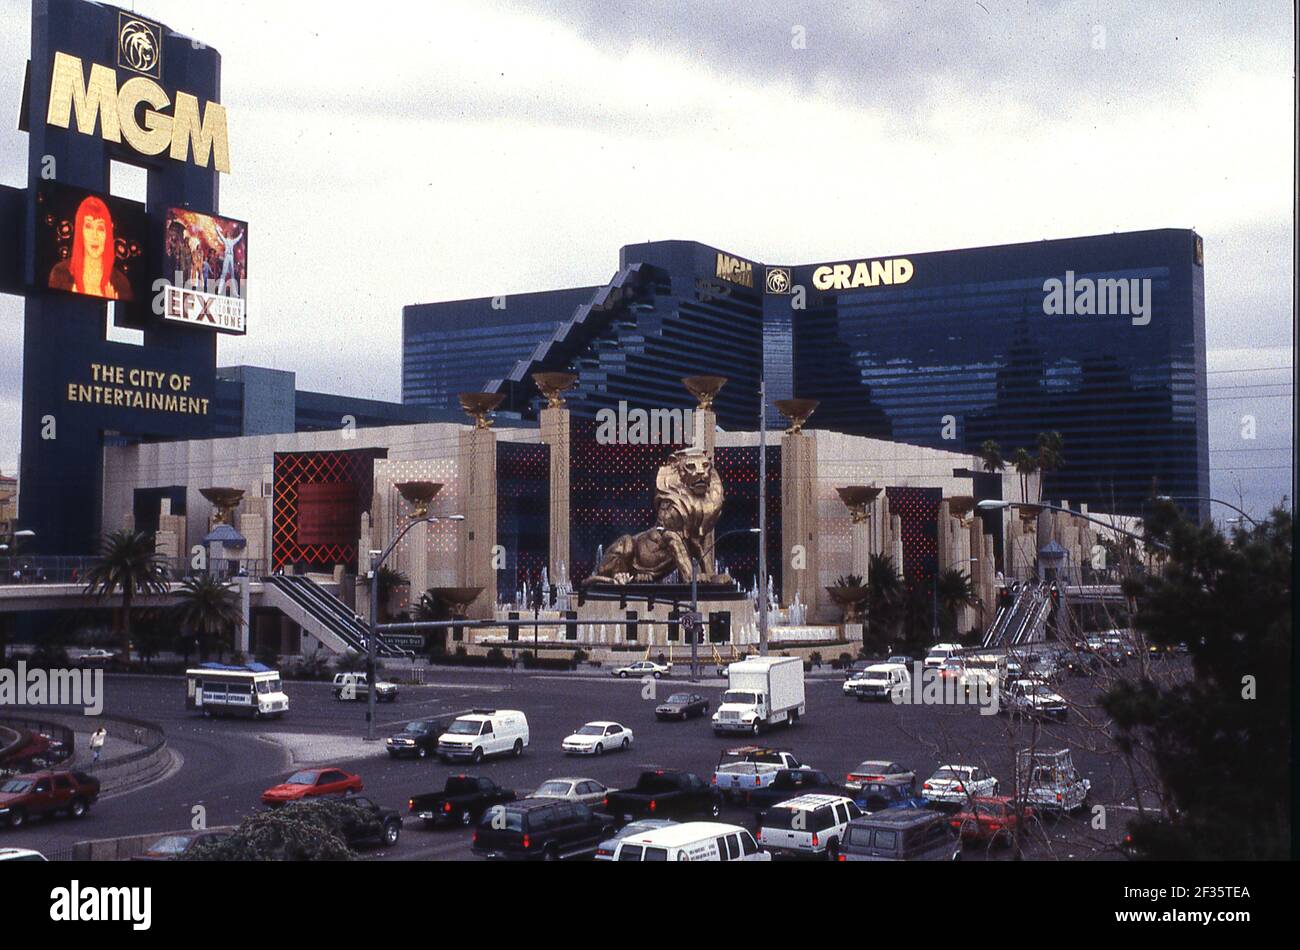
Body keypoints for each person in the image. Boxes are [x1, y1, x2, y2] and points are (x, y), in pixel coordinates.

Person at [47, 195, 133, 301]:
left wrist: (112, 307)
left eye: (100, 228)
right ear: (80, 230)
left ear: (108, 233)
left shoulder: (121, 283)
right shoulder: (60, 273)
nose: (94, 236)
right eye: (88, 226)